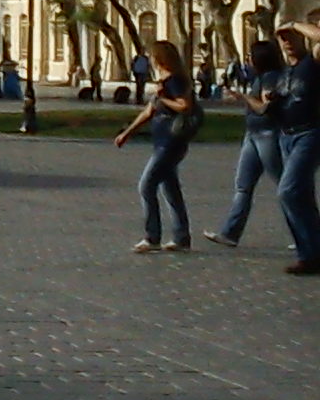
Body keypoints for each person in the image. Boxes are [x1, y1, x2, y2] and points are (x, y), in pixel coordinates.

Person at [114, 38, 199, 253]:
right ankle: (181, 237)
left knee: (146, 185)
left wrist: (164, 99)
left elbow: (185, 106)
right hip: (161, 140)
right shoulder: (163, 82)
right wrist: (127, 133)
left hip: (172, 141)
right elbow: (149, 111)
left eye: (153, 57)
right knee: (170, 188)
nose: (150, 61)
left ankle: (152, 237)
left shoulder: (176, 81)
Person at [205, 37, 285, 250]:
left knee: (286, 187)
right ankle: (230, 232)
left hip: (268, 134)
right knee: (243, 185)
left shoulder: (271, 78)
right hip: (253, 134)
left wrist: (243, 97)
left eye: (250, 56)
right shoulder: (260, 78)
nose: (247, 60)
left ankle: (305, 234)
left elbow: (264, 107)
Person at [274, 22, 320, 275]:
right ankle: (310, 255)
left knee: (288, 192)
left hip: (309, 133)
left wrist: (294, 23)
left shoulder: (312, 64)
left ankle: (311, 252)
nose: (287, 41)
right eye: (282, 37)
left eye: (291, 37)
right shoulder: (285, 72)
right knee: (301, 197)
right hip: (285, 136)